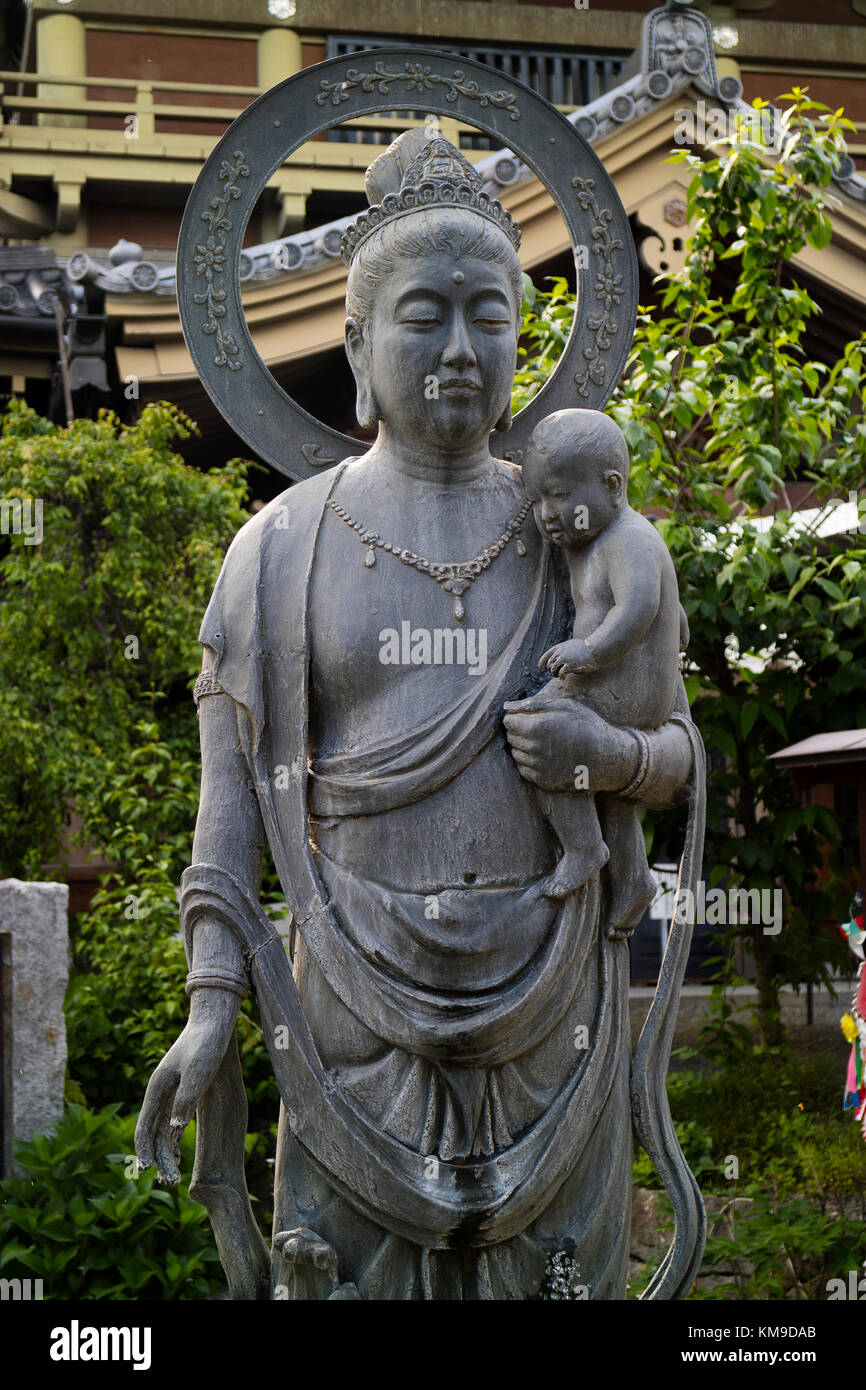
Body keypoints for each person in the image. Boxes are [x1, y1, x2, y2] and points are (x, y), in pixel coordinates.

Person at [136, 129, 701, 1300]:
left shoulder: (579, 537)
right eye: (423, 315)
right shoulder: (278, 551)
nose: (458, 349)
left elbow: (673, 757)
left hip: (555, 1016)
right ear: (355, 345)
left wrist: (603, 753)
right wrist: (207, 1005)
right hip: (345, 1021)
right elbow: (230, 805)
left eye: (488, 316)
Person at [518, 408, 688, 936]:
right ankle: (634, 878)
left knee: (539, 727)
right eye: (540, 499)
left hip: (626, 687)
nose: (547, 513)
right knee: (609, 791)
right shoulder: (587, 540)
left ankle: (584, 846)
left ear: (613, 487)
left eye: (561, 497)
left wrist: (590, 651)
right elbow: (672, 617)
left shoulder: (629, 538)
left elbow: (637, 607)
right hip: (622, 683)